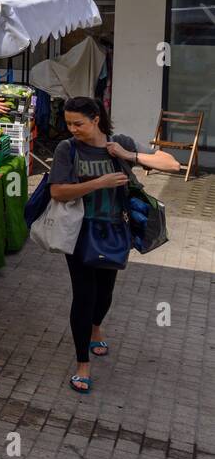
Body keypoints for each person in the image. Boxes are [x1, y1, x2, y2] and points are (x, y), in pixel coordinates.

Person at [48, 97, 180, 395]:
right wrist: (98, 183)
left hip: (115, 230)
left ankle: (97, 327)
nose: (72, 129)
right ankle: (82, 365)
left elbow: (171, 163)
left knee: (105, 292)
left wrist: (128, 154)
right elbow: (57, 192)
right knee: (84, 295)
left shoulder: (118, 143)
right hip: (79, 231)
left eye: (78, 123)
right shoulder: (67, 149)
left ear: (96, 119)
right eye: (68, 123)